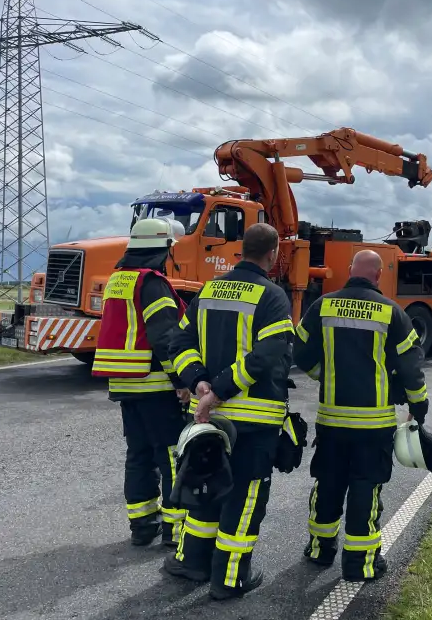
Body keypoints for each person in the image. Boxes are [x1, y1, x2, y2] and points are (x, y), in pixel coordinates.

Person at [164, 222, 294, 601]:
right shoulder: (272, 297)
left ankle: (192, 563)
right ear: (273, 254)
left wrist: (199, 382)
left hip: (208, 421)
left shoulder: (208, 290)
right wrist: (218, 389)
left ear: (241, 250)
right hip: (253, 422)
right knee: (245, 498)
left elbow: (179, 342)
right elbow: (267, 355)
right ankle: (230, 578)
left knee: (207, 487)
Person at [293, 249, 429, 582]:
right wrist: (418, 407)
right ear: (379, 275)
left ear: (350, 269)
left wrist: (325, 376)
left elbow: (301, 352)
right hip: (373, 425)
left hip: (332, 421)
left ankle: (320, 550)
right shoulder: (392, 312)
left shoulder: (322, 305)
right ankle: (360, 564)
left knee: (328, 483)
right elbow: (411, 370)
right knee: (365, 489)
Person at [91, 217, 191, 548]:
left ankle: (142, 524)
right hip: (154, 384)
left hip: (124, 384)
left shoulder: (118, 279)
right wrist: (181, 379)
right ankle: (175, 529)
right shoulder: (152, 283)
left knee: (139, 455)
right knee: (171, 455)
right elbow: (164, 337)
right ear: (162, 249)